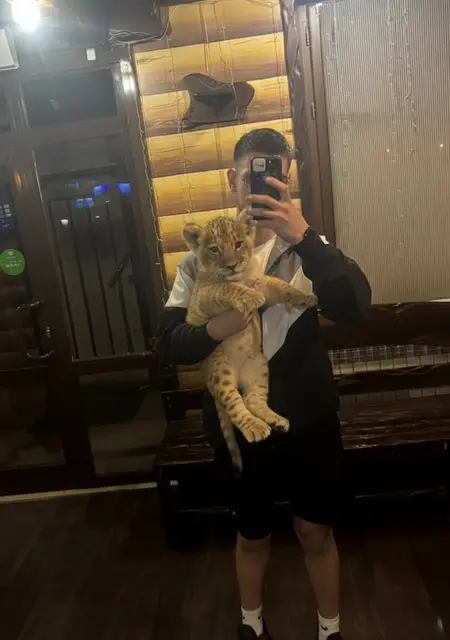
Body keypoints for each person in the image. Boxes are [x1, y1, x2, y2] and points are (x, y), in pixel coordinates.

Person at [159, 128, 371, 640]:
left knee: (316, 532)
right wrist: (217, 327)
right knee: (250, 534)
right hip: (238, 423)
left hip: (309, 421)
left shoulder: (308, 251)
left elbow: (354, 308)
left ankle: (330, 630)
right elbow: (170, 342)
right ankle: (251, 626)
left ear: (286, 181)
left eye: (274, 177)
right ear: (231, 180)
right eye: (249, 176)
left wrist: (306, 237)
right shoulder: (197, 260)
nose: (260, 187)